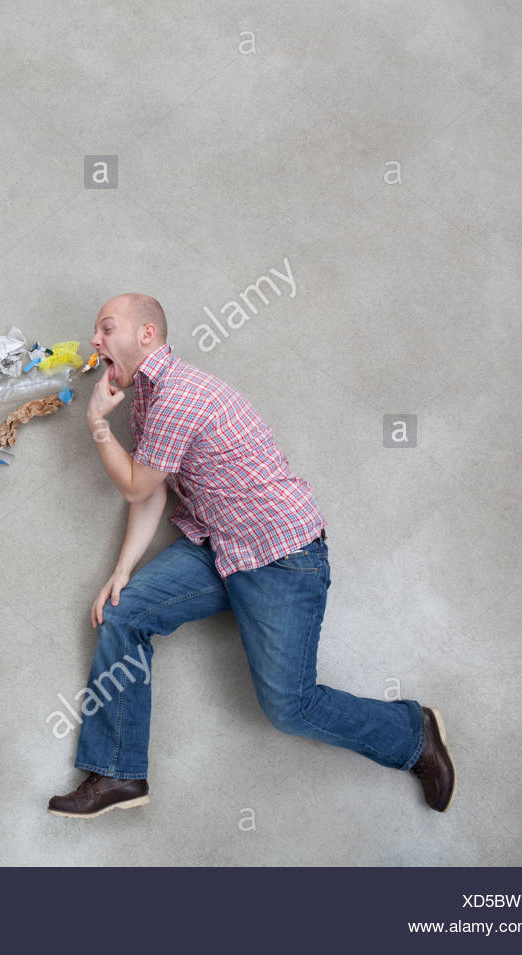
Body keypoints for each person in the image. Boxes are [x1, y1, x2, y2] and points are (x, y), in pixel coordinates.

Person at [47, 294, 455, 818]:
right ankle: (117, 775)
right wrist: (122, 571)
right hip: (220, 545)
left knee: (289, 707)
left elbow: (132, 486)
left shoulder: (178, 396)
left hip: (281, 556)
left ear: (147, 335)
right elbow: (152, 491)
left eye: (106, 329)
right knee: (123, 613)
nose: (95, 341)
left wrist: (98, 424)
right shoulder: (148, 398)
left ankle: (412, 733)